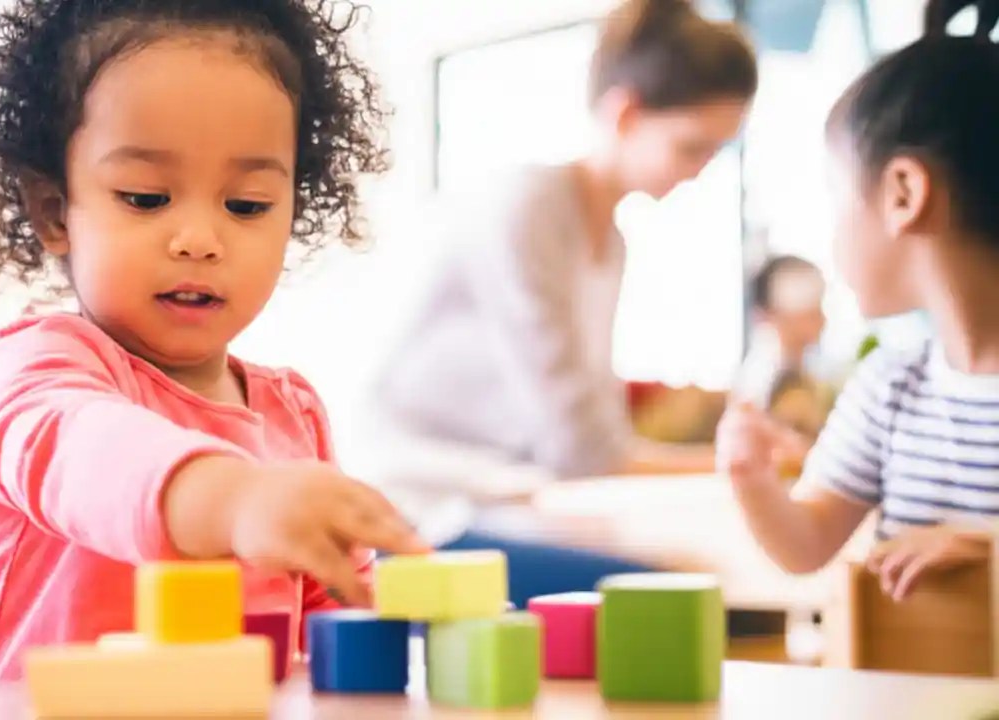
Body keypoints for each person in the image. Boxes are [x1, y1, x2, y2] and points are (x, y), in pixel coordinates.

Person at [0, 0, 426, 682]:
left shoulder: (294, 416)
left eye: (246, 205)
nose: (199, 238)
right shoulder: (33, 371)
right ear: (54, 211)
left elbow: (332, 635)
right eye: (144, 197)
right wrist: (233, 499)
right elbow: (84, 452)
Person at [365, 0, 758, 606]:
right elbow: (586, 452)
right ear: (624, 113)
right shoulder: (530, 208)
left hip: (507, 502)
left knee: (709, 571)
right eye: (691, 146)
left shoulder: (610, 240)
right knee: (683, 586)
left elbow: (592, 438)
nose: (701, 171)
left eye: (716, 151)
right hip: (419, 511)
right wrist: (745, 468)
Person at [718, 0, 999, 603]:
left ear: (903, 192)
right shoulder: (889, 388)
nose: (830, 232)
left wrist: (987, 547)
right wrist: (754, 482)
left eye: (834, 194)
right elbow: (807, 543)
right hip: (902, 693)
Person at [735, 255, 836, 438]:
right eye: (812, 312)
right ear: (777, 315)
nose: (823, 320)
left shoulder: (805, 370)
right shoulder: (761, 379)